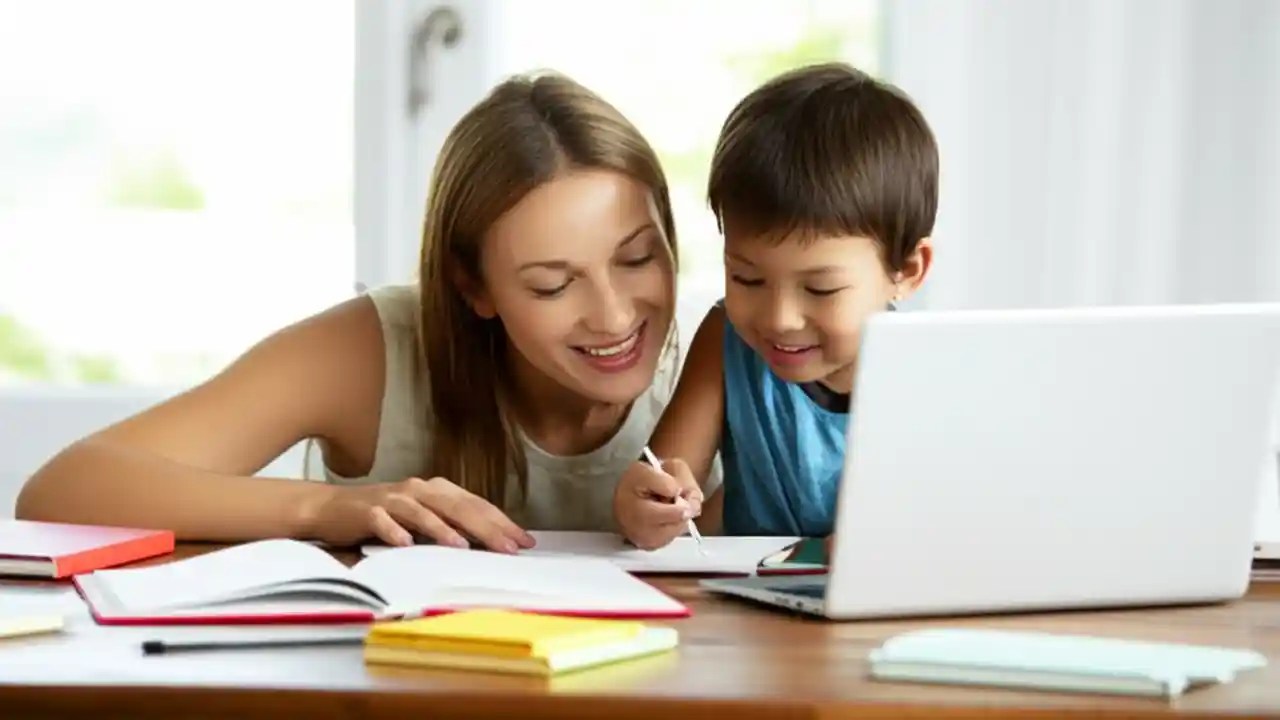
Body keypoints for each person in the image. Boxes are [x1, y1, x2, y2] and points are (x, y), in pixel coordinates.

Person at [17, 71, 694, 552]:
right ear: (472, 287)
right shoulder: (377, 349)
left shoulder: (724, 354)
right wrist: (329, 507)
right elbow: (66, 489)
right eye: (552, 285)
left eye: (637, 259)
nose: (611, 316)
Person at [613, 62, 939, 549]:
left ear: (906, 271)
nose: (778, 319)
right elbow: (655, 484)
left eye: (821, 289)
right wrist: (644, 507)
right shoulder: (725, 338)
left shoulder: (924, 373)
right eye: (747, 278)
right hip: (743, 605)